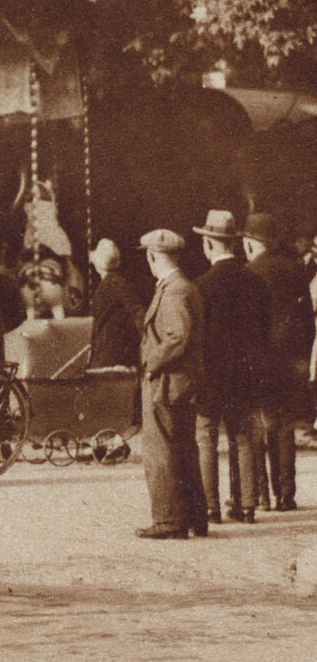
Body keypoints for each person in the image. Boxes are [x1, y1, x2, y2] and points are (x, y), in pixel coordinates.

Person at [192, 210, 269, 525]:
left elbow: (197, 337)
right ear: (234, 243)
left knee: (207, 437)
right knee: (244, 438)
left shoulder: (201, 286)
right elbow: (264, 331)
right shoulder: (255, 282)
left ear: (209, 243)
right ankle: (247, 505)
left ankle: (211, 507)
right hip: (247, 374)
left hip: (211, 375)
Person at [137, 228, 206, 539]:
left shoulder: (174, 290)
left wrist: (152, 362)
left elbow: (178, 336)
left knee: (161, 451)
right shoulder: (183, 286)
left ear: (152, 257)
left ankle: (168, 521)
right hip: (181, 382)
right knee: (183, 449)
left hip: (166, 383)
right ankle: (193, 517)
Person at [242, 212, 311, 512]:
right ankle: (286, 494)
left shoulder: (247, 273)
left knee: (258, 426)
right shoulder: (296, 271)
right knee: (285, 426)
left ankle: (260, 495)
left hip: (258, 362)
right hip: (290, 360)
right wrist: (302, 356)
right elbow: (308, 319)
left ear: (249, 243)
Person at [88, 238, 143, 368]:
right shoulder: (112, 282)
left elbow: (137, 312)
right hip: (109, 349)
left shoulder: (114, 283)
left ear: (98, 264)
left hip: (111, 352)